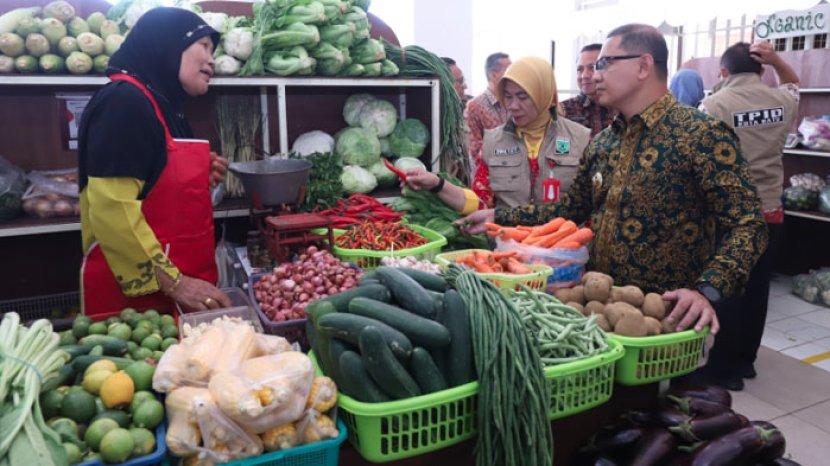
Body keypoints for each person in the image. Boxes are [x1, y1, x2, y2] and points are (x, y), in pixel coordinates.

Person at [461, 24, 768, 336]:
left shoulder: (701, 135)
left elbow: (748, 224)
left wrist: (708, 290)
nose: (594, 75)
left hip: (665, 321)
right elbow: (568, 210)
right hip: (601, 310)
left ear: (643, 66)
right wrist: (498, 216)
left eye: (605, 64)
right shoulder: (604, 143)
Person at [79, 8, 232, 316]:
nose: (212, 59)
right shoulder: (123, 102)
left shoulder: (162, 104)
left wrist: (197, 173)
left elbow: (154, 180)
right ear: (168, 44)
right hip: (135, 308)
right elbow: (113, 209)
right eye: (203, 45)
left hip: (176, 293)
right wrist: (176, 285)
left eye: (213, 51)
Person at [698, 41, 799, 390]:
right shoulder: (782, 101)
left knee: (726, 289)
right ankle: (745, 362)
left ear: (723, 72)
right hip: (771, 212)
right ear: (760, 70)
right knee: (757, 290)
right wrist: (777, 61)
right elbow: (793, 83)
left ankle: (723, 370)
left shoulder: (714, 105)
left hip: (730, 217)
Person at [405, 56, 590, 212]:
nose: (513, 106)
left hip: (564, 249)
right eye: (508, 97)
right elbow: (480, 202)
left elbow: (591, 206)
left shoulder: (580, 139)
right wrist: (437, 184)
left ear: (544, 93)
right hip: (508, 248)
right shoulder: (494, 141)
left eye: (523, 96)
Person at [466, 52, 511, 175]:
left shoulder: (514, 102)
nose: (514, 76)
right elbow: (474, 151)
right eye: (509, 70)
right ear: (493, 74)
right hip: (490, 178)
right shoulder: (475, 106)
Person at [561, 43, 617, 137]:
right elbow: (561, 149)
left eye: (592, 68)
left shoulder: (621, 108)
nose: (584, 75)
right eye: (580, 69)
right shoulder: (564, 110)